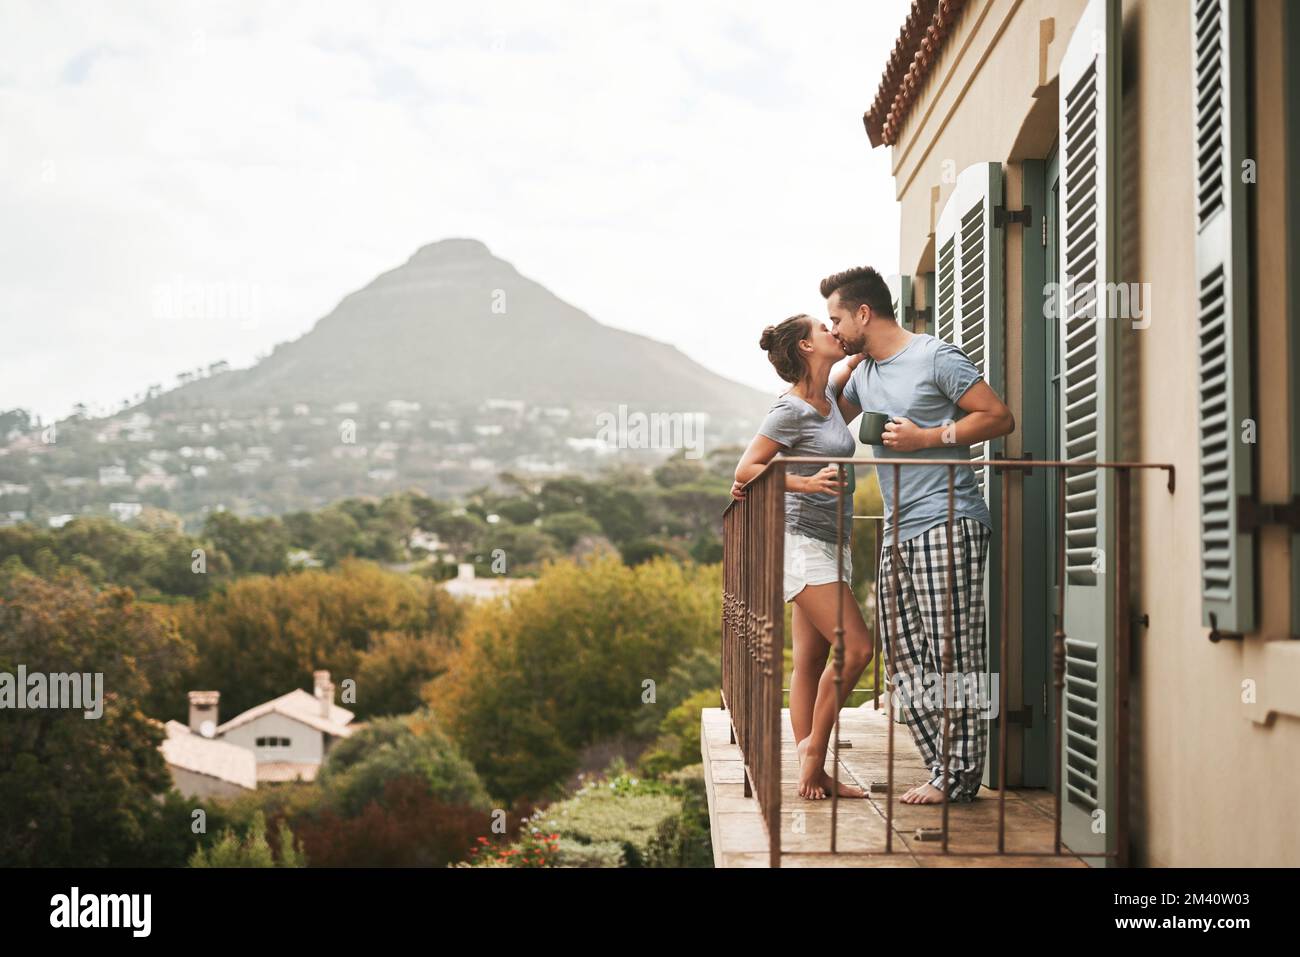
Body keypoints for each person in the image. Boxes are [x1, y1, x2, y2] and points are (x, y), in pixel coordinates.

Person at [823, 265, 1015, 804]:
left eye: (836, 319)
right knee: (905, 656)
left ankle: (957, 776)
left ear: (863, 313)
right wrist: (838, 371)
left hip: (949, 519)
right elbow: (829, 423)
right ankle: (940, 767)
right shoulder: (862, 372)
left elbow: (999, 417)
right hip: (896, 529)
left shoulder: (935, 356)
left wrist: (931, 436)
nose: (832, 328)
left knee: (954, 653)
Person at [731, 313, 874, 800]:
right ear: (806, 348)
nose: (832, 331)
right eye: (822, 327)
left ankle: (810, 767)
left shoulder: (830, 397)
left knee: (811, 660)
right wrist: (804, 482)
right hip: (799, 542)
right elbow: (747, 468)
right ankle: (813, 757)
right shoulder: (788, 410)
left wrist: (864, 331)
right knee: (857, 649)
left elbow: (858, 352)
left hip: (833, 541)